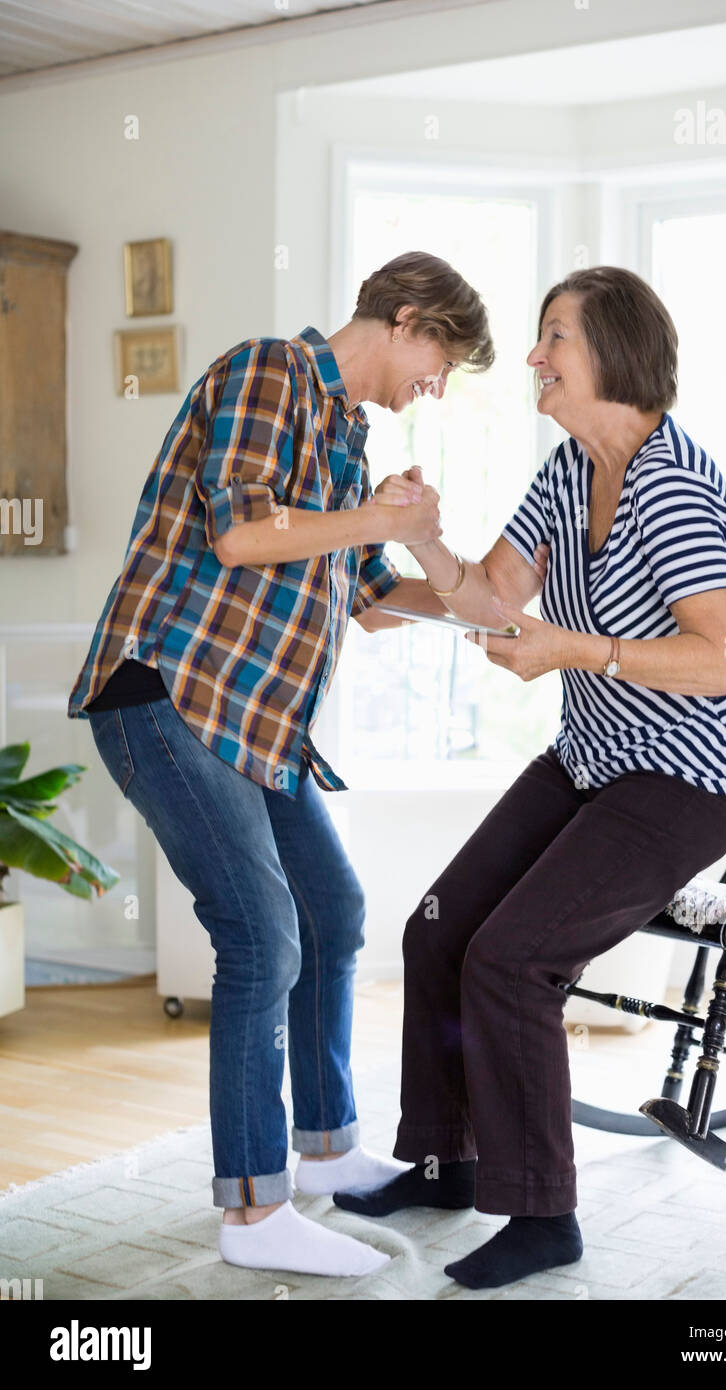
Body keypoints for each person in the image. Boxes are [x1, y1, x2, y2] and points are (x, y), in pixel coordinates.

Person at [332, 265, 726, 1291]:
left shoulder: (674, 484)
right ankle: (446, 1163)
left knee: (512, 958)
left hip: (686, 778)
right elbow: (491, 598)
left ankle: (541, 1215)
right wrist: (415, 542)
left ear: (612, 353)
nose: (533, 356)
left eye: (553, 337)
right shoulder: (570, 469)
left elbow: (721, 661)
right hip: (591, 757)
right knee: (438, 928)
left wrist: (567, 650)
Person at [67, 251, 496, 1278]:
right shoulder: (265, 372)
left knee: (331, 911)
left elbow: (369, 591)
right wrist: (381, 518)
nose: (434, 384)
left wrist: (484, 601)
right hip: (163, 689)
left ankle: (325, 1151)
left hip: (254, 723)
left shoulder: (345, 441)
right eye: (439, 358)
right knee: (263, 934)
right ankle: (253, 1214)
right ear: (402, 320)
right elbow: (243, 533)